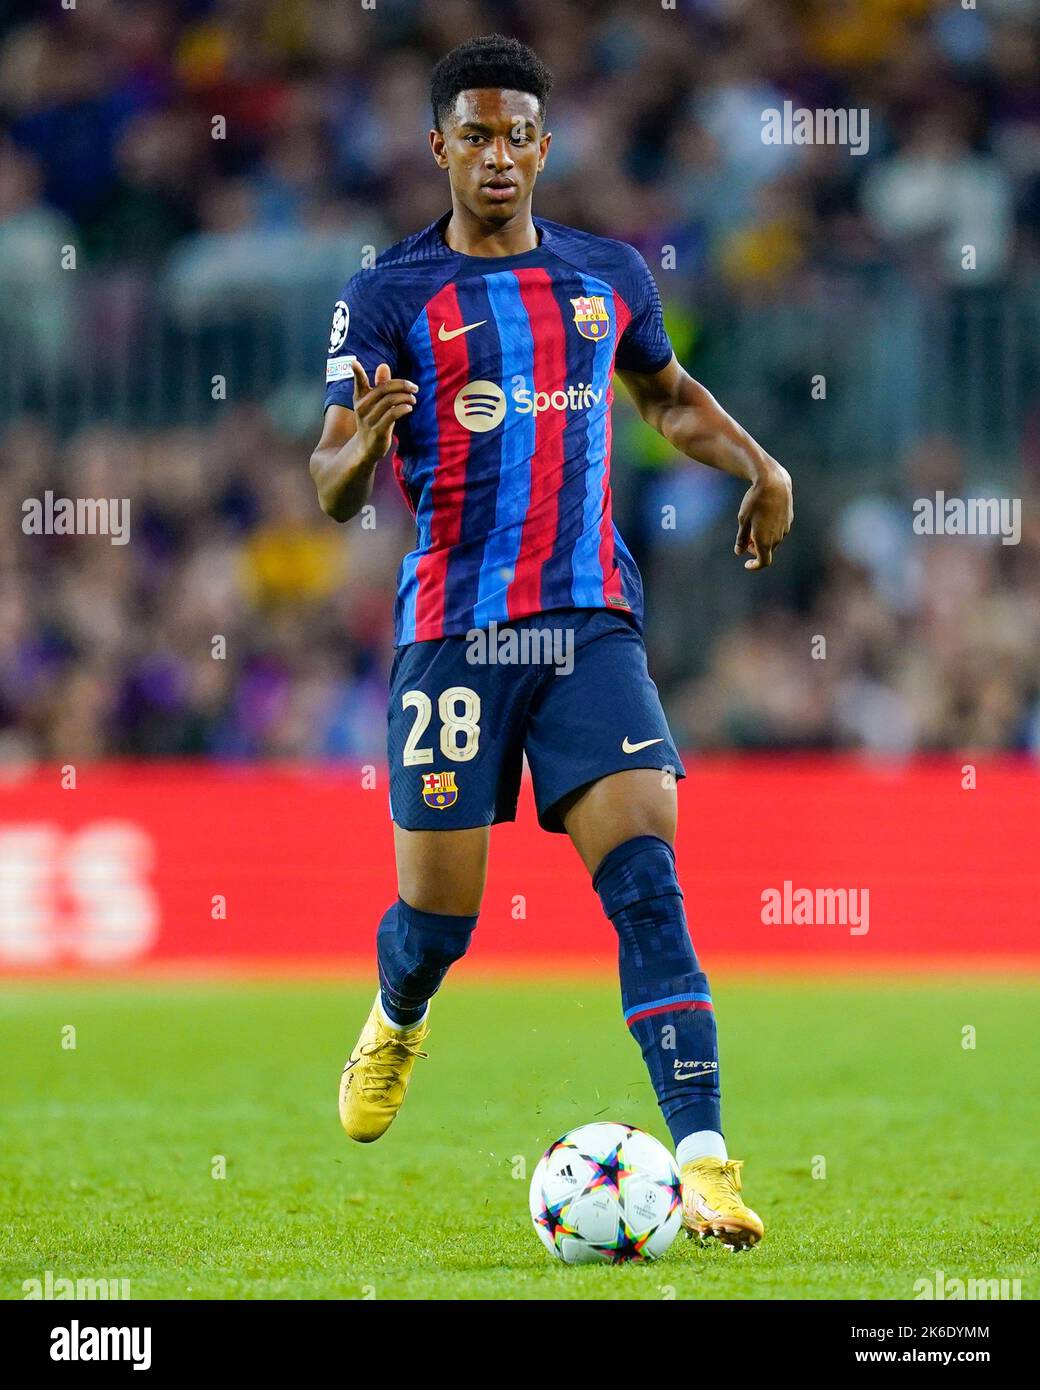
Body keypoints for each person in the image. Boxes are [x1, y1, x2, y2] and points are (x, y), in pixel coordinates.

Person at [310, 34, 792, 1250]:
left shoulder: (605, 274)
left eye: (517, 135)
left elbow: (665, 395)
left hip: (587, 625)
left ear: (543, 147)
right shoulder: (388, 294)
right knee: (439, 922)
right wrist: (364, 451)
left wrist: (760, 463)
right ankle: (397, 1015)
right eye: (474, 135)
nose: (498, 155)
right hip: (455, 635)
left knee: (645, 882)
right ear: (438, 147)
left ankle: (705, 1161)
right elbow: (327, 477)